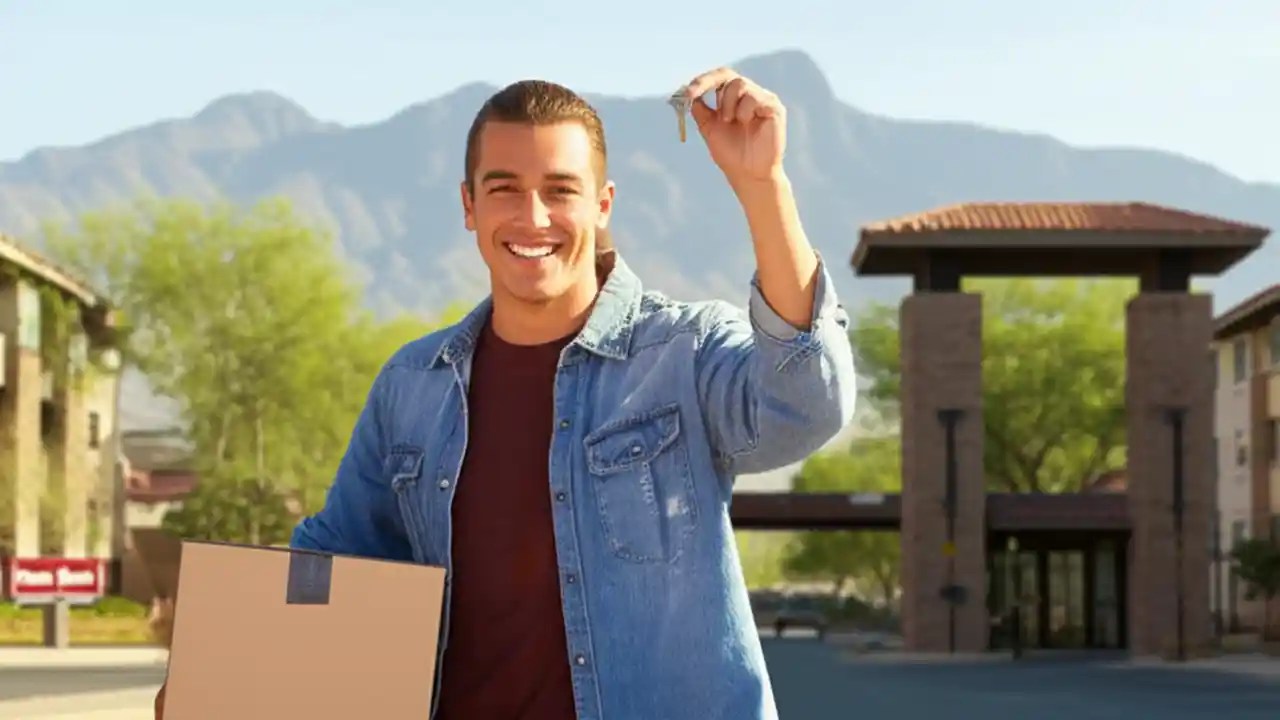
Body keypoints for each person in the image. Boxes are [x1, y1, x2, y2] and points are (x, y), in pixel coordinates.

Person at [155, 66, 857, 720]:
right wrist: (219, 674)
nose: (532, 217)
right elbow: (337, 559)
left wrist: (764, 187)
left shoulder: (683, 354)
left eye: (560, 189)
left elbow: (806, 405)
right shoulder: (411, 386)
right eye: (503, 189)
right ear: (469, 206)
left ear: (602, 204)